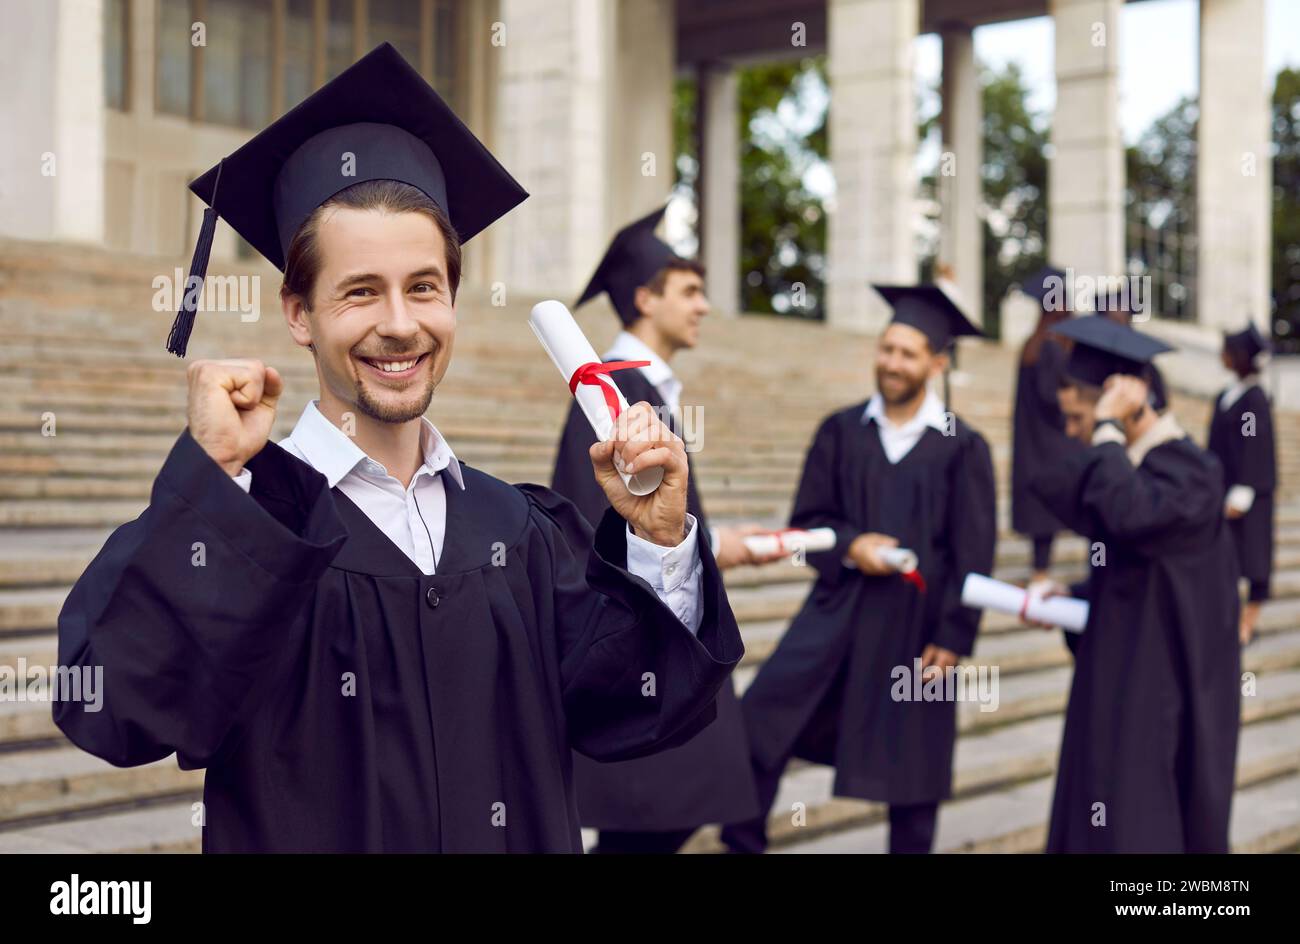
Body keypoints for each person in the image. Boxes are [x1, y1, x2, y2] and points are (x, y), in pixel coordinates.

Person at [52, 44, 742, 854]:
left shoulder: (514, 529)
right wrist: (207, 484)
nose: (401, 323)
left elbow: (633, 709)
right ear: (299, 313)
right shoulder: (248, 528)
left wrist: (660, 541)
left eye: (423, 287)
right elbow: (116, 711)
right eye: (359, 291)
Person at [721, 284, 996, 855]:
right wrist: (851, 546)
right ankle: (741, 842)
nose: (892, 363)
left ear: (936, 363)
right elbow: (807, 524)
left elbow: (975, 553)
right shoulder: (841, 430)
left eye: (908, 354)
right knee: (759, 724)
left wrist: (955, 634)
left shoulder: (963, 447)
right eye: (886, 349)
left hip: (915, 624)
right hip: (838, 612)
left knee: (914, 774)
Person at [550, 207, 777, 854]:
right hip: (644, 638)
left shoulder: (641, 387)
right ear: (645, 300)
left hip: (665, 622)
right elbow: (601, 521)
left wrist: (712, 541)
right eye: (689, 292)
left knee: (665, 816)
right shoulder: (615, 393)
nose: (705, 307)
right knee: (651, 818)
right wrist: (711, 548)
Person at [1029, 315, 1240, 853]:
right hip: (1121, 678)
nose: (1075, 431)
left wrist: (1105, 429)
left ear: (1125, 406)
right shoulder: (1133, 470)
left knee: (1139, 830)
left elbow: (1130, 516)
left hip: (1164, 692)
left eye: (1082, 417)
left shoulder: (1193, 471)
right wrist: (1074, 597)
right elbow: (1140, 576)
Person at [1011, 266, 1083, 585]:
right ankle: (1042, 573)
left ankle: (1039, 570)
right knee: (1053, 509)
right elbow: (1048, 395)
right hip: (1054, 443)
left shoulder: (1032, 344)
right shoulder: (1054, 347)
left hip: (1033, 442)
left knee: (1041, 515)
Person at [1207, 323, 1276, 646]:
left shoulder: (1254, 398)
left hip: (1248, 493)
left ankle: (1247, 623)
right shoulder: (1226, 394)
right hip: (1223, 489)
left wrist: (1244, 490)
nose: (1221, 355)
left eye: (1226, 350)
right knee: (1227, 559)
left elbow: (1255, 443)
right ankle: (1228, 619)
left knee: (1254, 559)